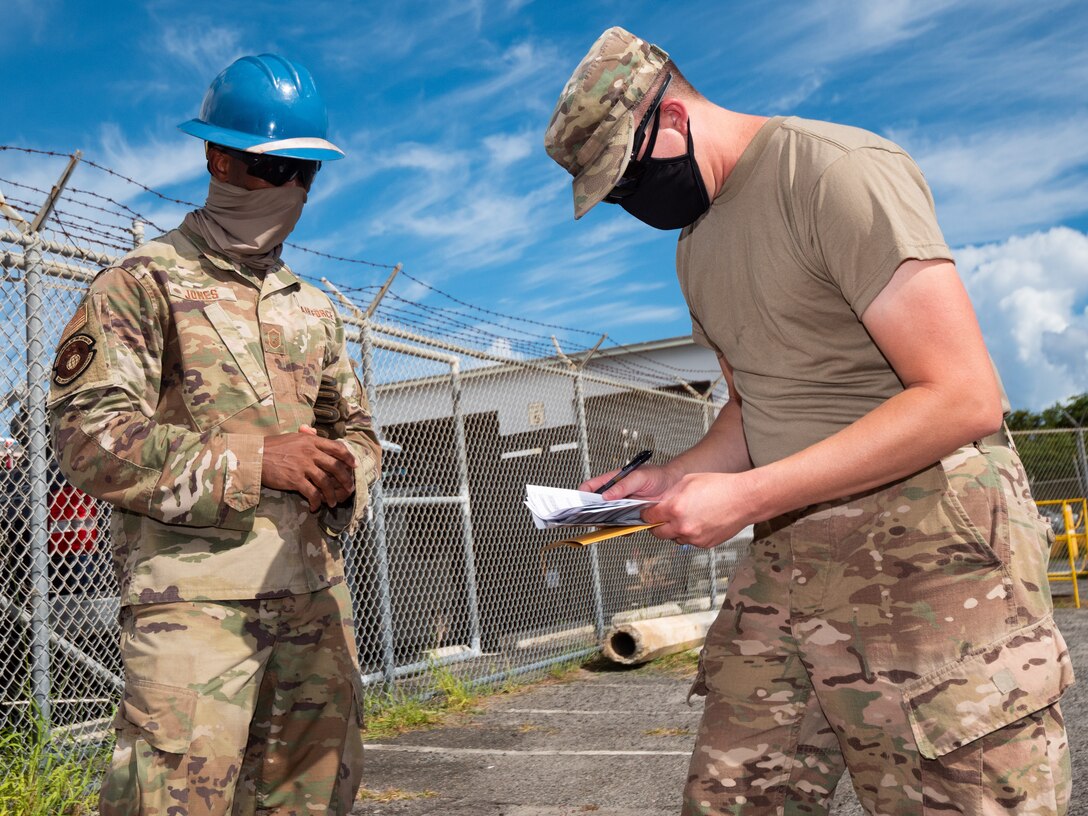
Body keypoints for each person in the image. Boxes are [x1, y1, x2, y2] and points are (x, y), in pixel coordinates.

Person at [544, 26, 1073, 816]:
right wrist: (675, 474)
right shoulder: (696, 247)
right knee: (731, 797)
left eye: (625, 180)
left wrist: (748, 498)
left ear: (675, 120)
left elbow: (963, 395)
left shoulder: (834, 169)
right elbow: (755, 411)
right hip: (793, 555)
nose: (626, 204)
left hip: (929, 548)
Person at [48, 53, 381, 815]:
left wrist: (348, 472)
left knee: (314, 799)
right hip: (194, 610)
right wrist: (257, 461)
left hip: (314, 602)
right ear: (217, 158)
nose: (292, 188)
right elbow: (85, 433)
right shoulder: (142, 283)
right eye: (273, 166)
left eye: (306, 170)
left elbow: (357, 428)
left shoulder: (313, 307)